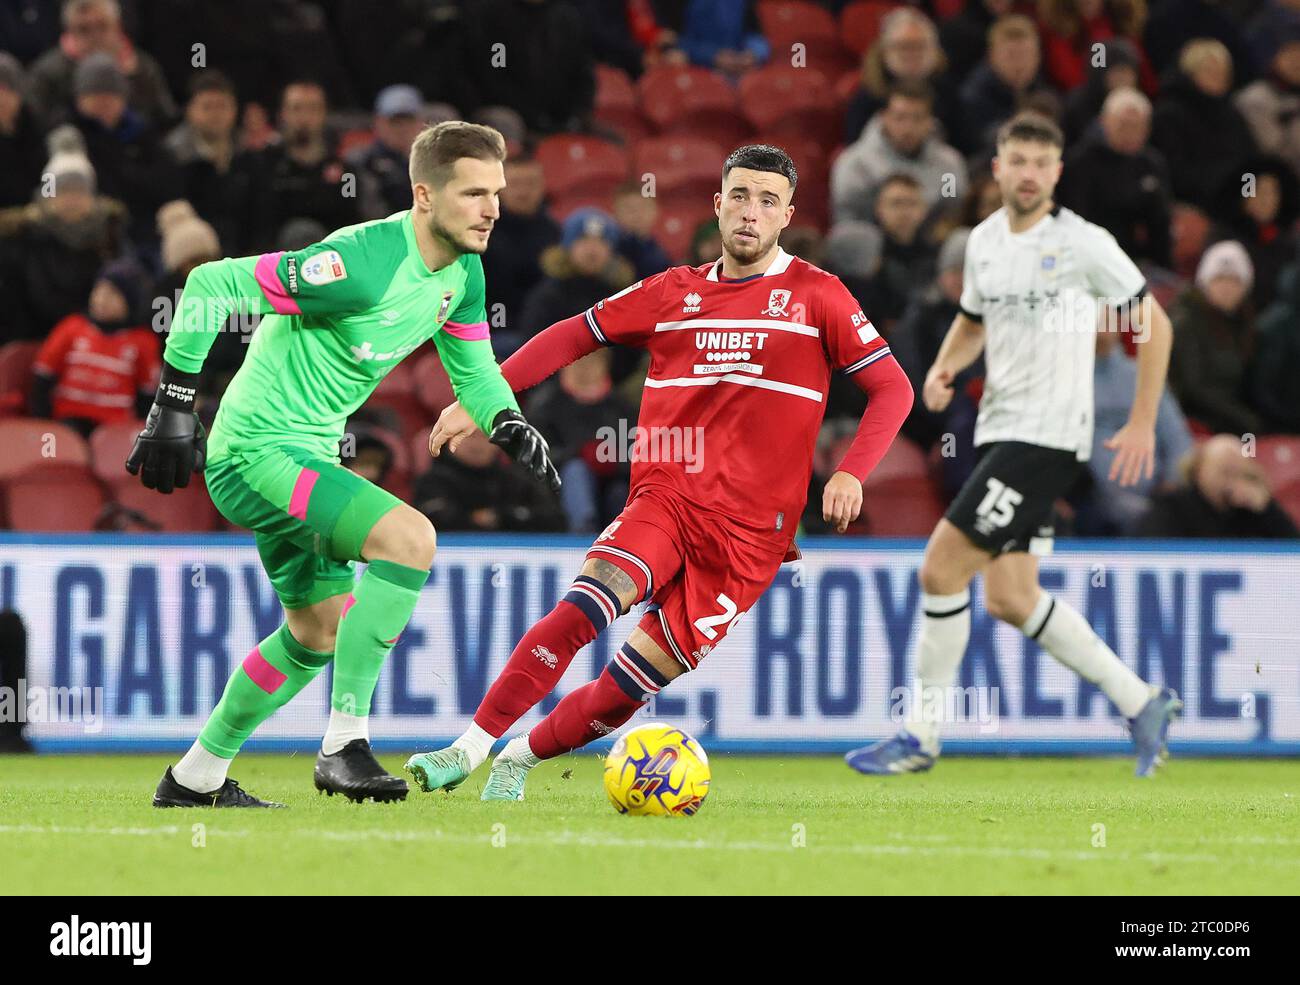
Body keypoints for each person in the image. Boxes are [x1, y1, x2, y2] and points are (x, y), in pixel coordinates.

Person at [403, 144, 914, 802]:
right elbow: (571, 335)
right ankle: (466, 748)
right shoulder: (673, 291)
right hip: (667, 500)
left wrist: (851, 472)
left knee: (626, 686)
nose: (750, 213)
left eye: (766, 201)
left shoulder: (818, 295)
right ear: (716, 204)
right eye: (739, 196)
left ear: (786, 215)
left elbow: (893, 389)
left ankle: (521, 755)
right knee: (582, 608)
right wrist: (483, 400)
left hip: (750, 541)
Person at [131, 122, 561, 809]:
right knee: (410, 538)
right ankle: (344, 747)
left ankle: (195, 775)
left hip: (299, 458)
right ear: (424, 194)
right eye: (474, 193)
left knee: (318, 629)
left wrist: (505, 417)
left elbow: (474, 372)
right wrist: (175, 404)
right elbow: (212, 283)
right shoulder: (362, 263)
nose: (493, 208)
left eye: (498, 193)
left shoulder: (464, 273)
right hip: (256, 453)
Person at [844, 114, 1181, 780]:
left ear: (1056, 173)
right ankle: (1141, 701)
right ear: (996, 168)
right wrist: (944, 368)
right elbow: (973, 322)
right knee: (1011, 597)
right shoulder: (984, 244)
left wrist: (1143, 420)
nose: (1027, 172)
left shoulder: (1084, 243)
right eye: (1016, 159)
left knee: (939, 568)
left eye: (1040, 162)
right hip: (1000, 429)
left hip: (1046, 438)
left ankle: (920, 736)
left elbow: (1156, 321)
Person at [1079, 327, 1193, 534]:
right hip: (1091, 498)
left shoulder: (1142, 375)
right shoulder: (1063, 380)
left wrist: (1173, 481)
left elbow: (1178, 439)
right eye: (1094, 312)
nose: (1102, 321)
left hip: (1156, 497)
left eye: (1109, 312)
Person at [30, 257, 160, 436]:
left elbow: (148, 395)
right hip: (67, 421)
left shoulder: (143, 341)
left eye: (113, 293)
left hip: (115, 428)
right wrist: (43, 423)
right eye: (99, 289)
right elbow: (43, 376)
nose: (102, 298)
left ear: (131, 303)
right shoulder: (72, 327)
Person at [1057, 87, 1172, 268]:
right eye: (1123, 125)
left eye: (1137, 127)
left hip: (1140, 262)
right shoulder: (1080, 164)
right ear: (1104, 122)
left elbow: (1160, 226)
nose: (1130, 133)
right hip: (1091, 259)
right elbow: (1078, 222)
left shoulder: (1152, 164)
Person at [831, 82, 968, 227]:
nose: (908, 128)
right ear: (884, 117)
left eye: (917, 118)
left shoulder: (949, 166)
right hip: (873, 241)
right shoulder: (855, 164)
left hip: (932, 243)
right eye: (900, 117)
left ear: (930, 121)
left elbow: (953, 210)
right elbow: (848, 221)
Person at [1167, 240, 1261, 435]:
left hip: (1229, 414)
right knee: (1248, 435)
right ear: (1204, 282)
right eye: (1219, 279)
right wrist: (1242, 417)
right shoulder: (1185, 322)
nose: (1226, 288)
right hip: (1192, 417)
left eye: (1234, 280)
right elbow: (1195, 388)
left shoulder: (1245, 323)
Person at [1135, 434, 1300, 538]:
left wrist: (1267, 509)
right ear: (1199, 471)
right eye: (1224, 472)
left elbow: (1291, 554)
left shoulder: (1255, 512)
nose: (1232, 481)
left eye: (1240, 472)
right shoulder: (1172, 506)